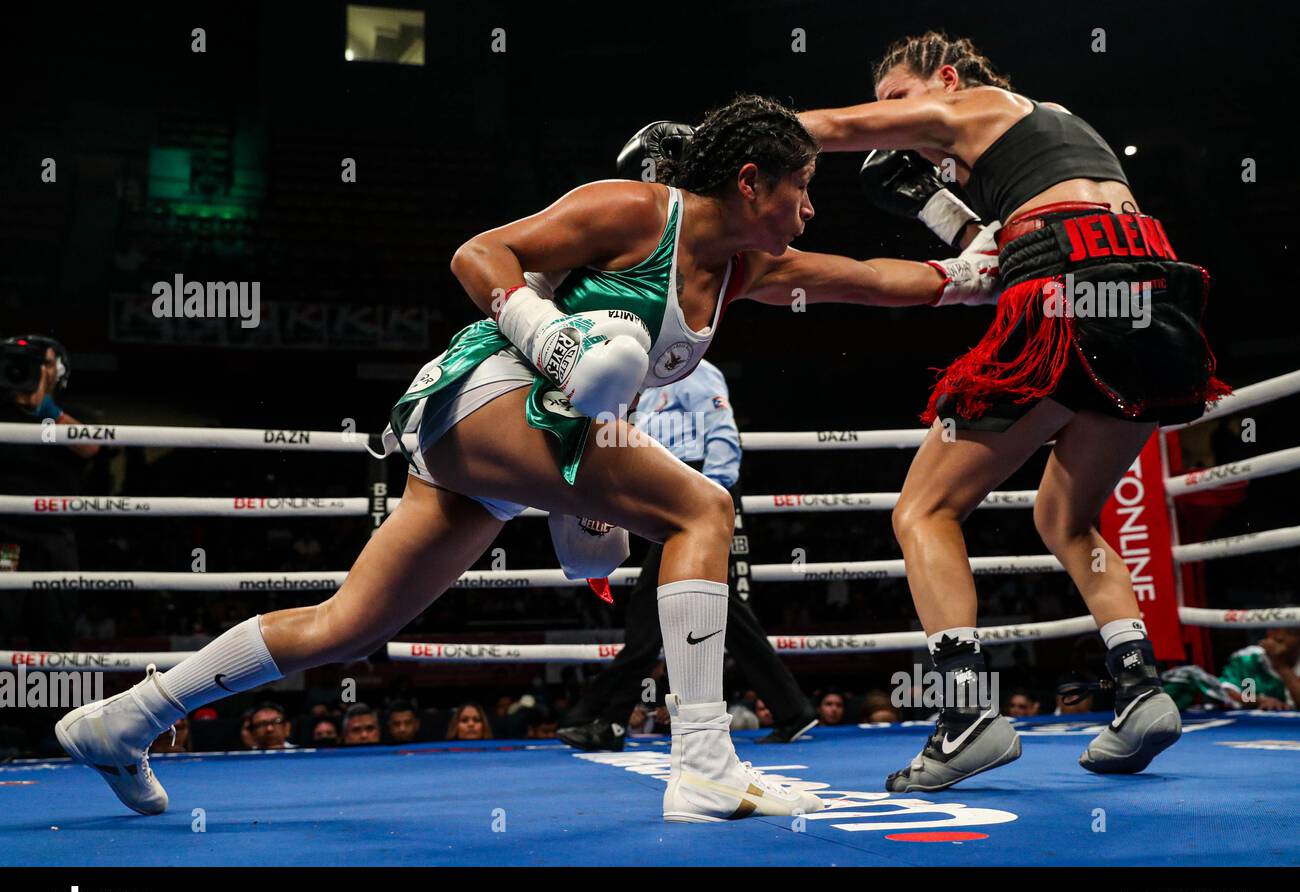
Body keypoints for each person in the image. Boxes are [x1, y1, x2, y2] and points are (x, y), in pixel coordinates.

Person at [55, 94, 997, 825]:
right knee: (700, 508)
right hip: (489, 392)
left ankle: (123, 719)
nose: (811, 206)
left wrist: (971, 269)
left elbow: (876, 284)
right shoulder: (635, 210)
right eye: (801, 187)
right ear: (751, 183)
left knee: (345, 629)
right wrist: (549, 340)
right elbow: (480, 253)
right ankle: (705, 764)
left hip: (513, 436)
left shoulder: (747, 269)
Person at [795, 32, 1229, 790]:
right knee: (1065, 518)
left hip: (1070, 288)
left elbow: (828, 128)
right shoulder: (1046, 136)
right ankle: (1140, 687)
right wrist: (943, 210)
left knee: (923, 509)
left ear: (948, 79)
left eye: (898, 98)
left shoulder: (972, 105)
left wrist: (708, 144)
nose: (891, 119)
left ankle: (966, 713)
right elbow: (1002, 254)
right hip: (1156, 301)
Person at [558, 360, 817, 752]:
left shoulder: (697, 371)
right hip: (662, 494)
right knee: (720, 609)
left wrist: (711, 500)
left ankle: (604, 718)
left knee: (650, 607)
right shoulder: (642, 383)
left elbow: (722, 432)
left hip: (695, 490)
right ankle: (792, 709)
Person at [0, 334, 101, 649]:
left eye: (39, 363)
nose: (25, 369)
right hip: (5, 538)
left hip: (53, 539)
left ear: (56, 371)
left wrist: (42, 407)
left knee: (55, 629)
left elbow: (89, 447)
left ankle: (53, 698)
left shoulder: (76, 415)